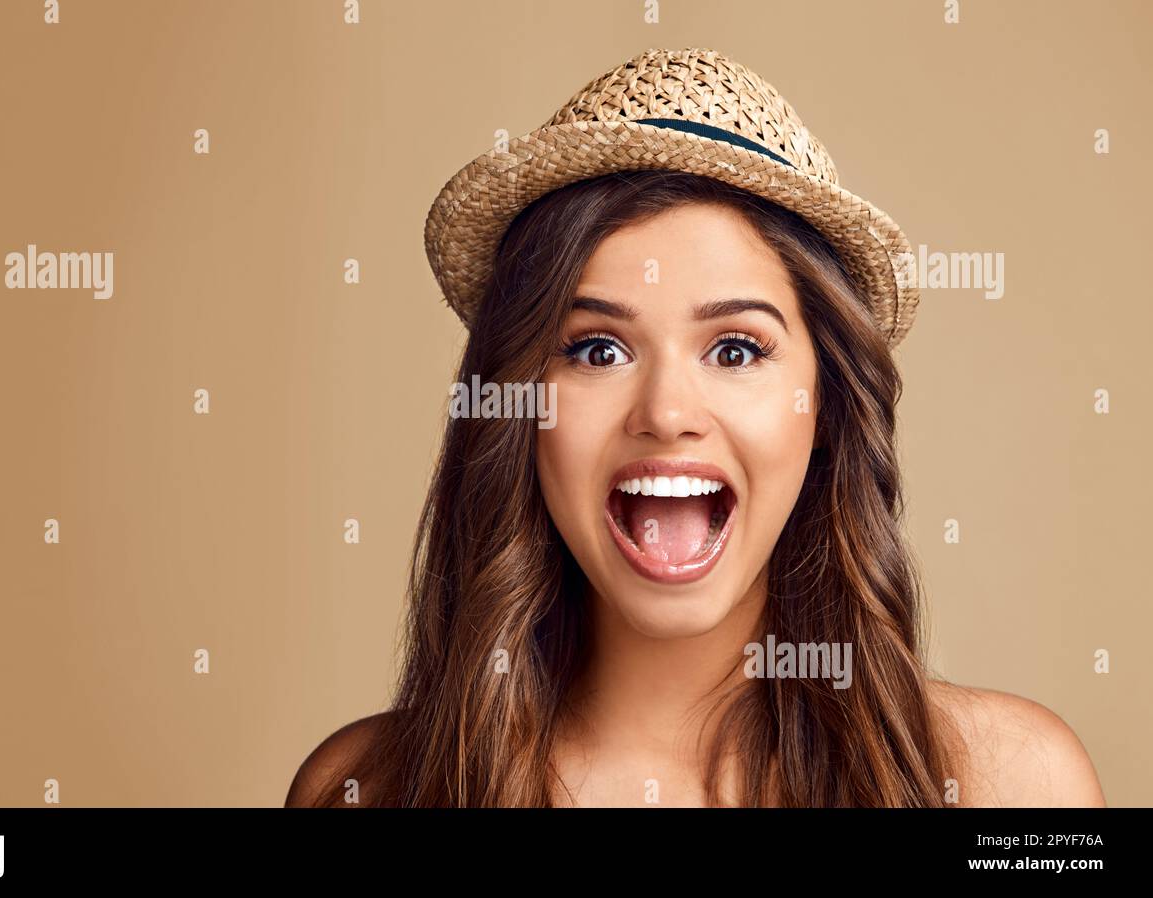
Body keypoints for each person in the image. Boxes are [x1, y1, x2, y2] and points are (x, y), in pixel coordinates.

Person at [286, 48, 1105, 808]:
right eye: (597, 349)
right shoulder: (364, 787)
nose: (667, 414)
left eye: (737, 349)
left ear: (824, 410)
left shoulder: (1014, 786)